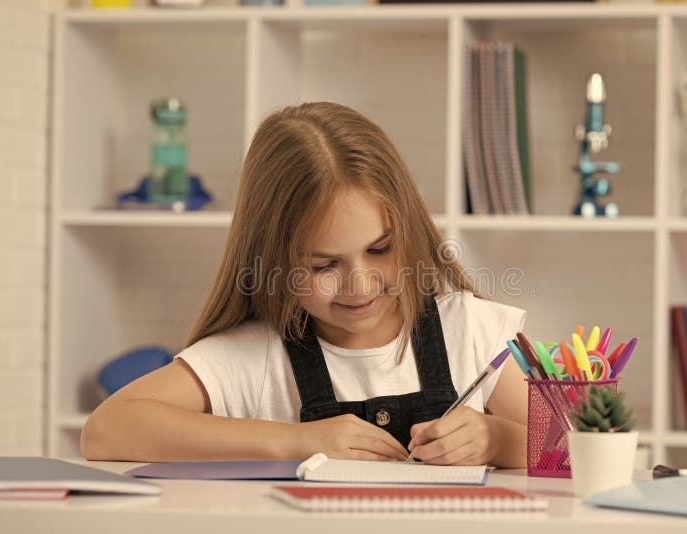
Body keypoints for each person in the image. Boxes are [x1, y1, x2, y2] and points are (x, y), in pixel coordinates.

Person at [81, 102, 529, 467]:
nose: (360, 283)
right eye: (323, 265)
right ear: (272, 262)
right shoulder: (255, 356)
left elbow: (575, 444)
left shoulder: (469, 330)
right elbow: (107, 430)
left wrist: (496, 439)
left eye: (380, 249)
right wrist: (295, 441)